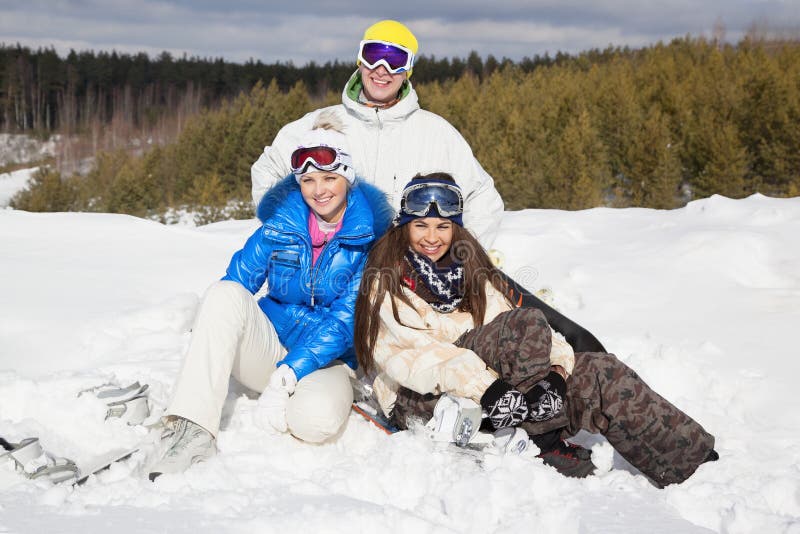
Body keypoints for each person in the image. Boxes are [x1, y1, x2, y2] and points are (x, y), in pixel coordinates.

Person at [251, 19, 606, 354]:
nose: (382, 70)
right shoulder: (320, 125)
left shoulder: (434, 132)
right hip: (342, 266)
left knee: (504, 298)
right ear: (360, 59)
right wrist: (299, 238)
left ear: (408, 70)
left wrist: (456, 255)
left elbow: (483, 195)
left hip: (417, 263)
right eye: (375, 56)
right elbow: (268, 172)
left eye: (395, 61)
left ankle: (582, 352)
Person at [353, 173, 718, 487]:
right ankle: (544, 440)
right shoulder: (386, 280)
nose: (431, 237)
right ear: (404, 226)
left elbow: (533, 333)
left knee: (599, 371)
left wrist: (557, 374)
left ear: (455, 228)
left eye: (442, 226)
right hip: (424, 396)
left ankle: (688, 457)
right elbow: (413, 357)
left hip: (501, 394)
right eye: (421, 225)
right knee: (522, 323)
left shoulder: (472, 274)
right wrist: (488, 387)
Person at [148, 111, 393, 480]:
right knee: (223, 294)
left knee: (316, 424)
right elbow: (236, 284)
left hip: (326, 362)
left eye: (329, 177)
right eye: (308, 180)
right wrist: (214, 334)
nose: (319, 189)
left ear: (347, 177)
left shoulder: (369, 238)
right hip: (270, 347)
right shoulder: (280, 226)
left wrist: (290, 375)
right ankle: (193, 428)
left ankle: (327, 396)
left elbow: (346, 322)